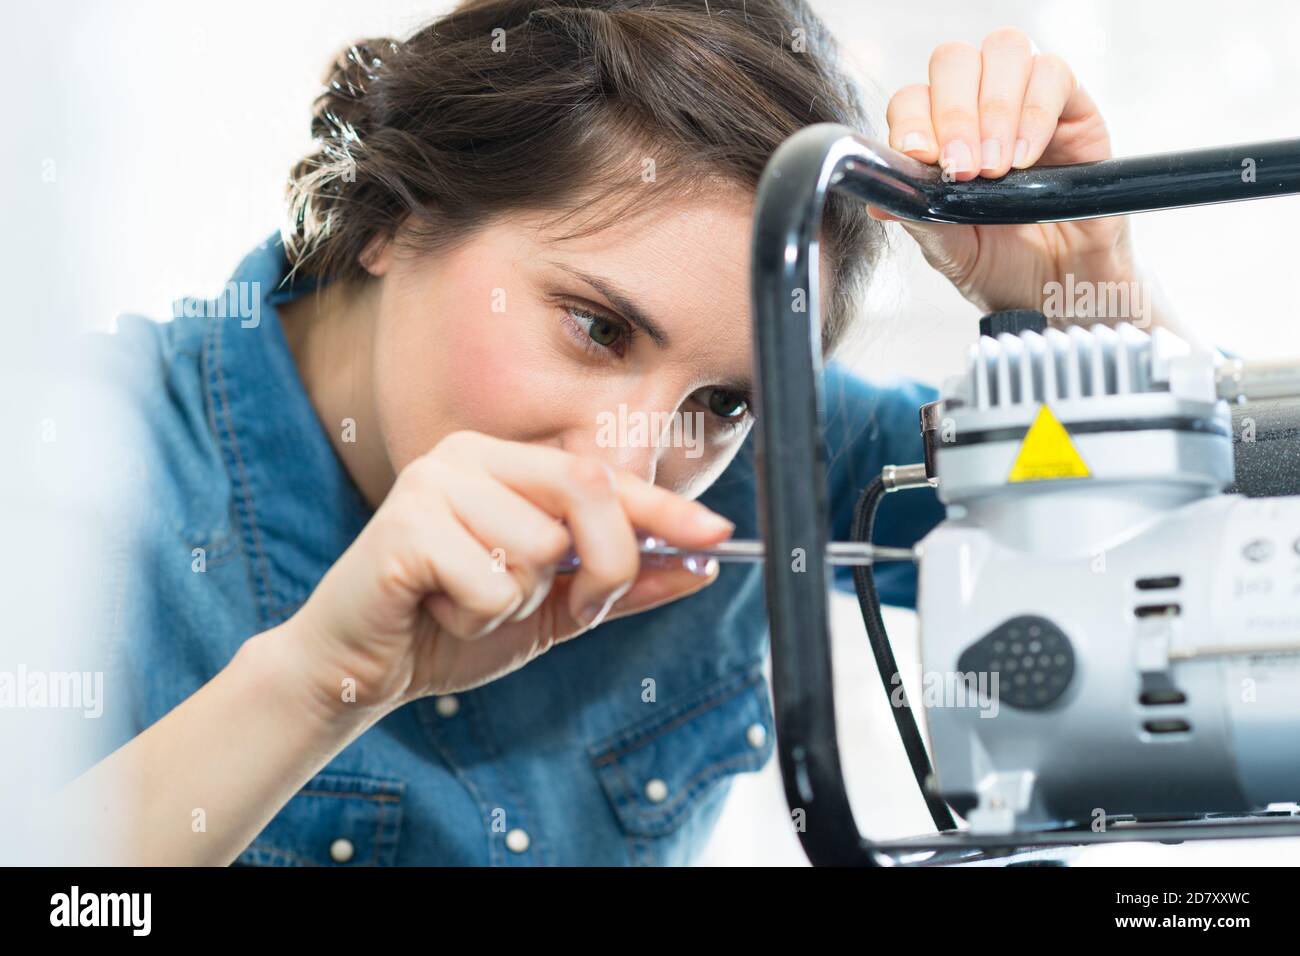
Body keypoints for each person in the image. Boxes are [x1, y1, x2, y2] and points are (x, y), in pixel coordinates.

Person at [50, 0, 1184, 865]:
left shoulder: (772, 454)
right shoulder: (73, 467)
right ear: (393, 214)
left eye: (721, 403)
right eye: (596, 327)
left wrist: (1087, 295)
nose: (630, 466)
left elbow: (1182, 578)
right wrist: (310, 684)